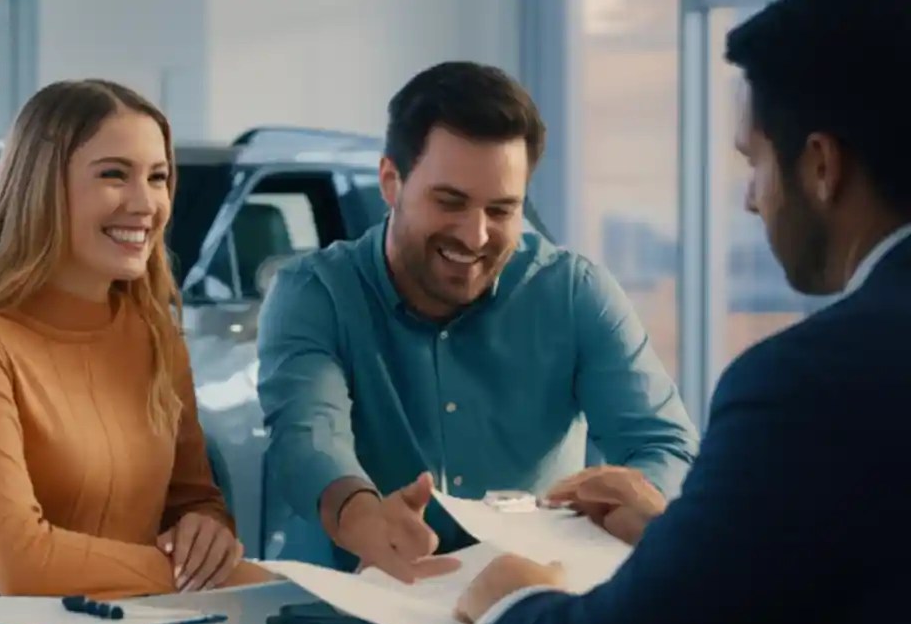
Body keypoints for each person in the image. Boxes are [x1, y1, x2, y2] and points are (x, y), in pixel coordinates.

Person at [455, 0, 911, 624]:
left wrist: (512, 601)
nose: (753, 202)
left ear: (821, 166)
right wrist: (679, 539)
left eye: (753, 163)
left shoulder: (806, 385)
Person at [256, 61, 698, 580]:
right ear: (391, 181)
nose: (476, 236)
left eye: (502, 210)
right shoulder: (315, 293)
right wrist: (361, 516)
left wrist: (637, 500)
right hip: (348, 613)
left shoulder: (574, 292)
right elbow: (308, 434)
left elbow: (663, 444)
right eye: (451, 202)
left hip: (530, 607)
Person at [0, 79, 268, 602]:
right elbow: (20, 563)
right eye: (114, 175)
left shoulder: (154, 334)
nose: (146, 203)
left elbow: (193, 501)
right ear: (43, 187)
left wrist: (206, 535)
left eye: (158, 177)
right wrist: (227, 581)